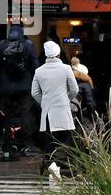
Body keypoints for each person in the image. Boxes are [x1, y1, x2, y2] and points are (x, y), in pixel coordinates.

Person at [32, 40, 78, 175]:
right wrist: (66, 99)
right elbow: (74, 89)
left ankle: (51, 163)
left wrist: (44, 103)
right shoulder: (66, 68)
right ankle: (61, 164)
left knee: (49, 141)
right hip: (63, 111)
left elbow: (34, 93)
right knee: (67, 140)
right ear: (59, 54)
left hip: (47, 113)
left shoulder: (39, 71)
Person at [0, 23, 38, 154]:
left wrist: (4, 76)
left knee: (7, 115)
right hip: (25, 87)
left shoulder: (2, 44)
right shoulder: (28, 44)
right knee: (26, 114)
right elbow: (34, 63)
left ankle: (8, 143)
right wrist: (29, 77)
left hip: (7, 87)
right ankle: (27, 144)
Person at [70, 56, 97, 123]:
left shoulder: (68, 82)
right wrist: (94, 118)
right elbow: (89, 103)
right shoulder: (86, 85)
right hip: (76, 114)